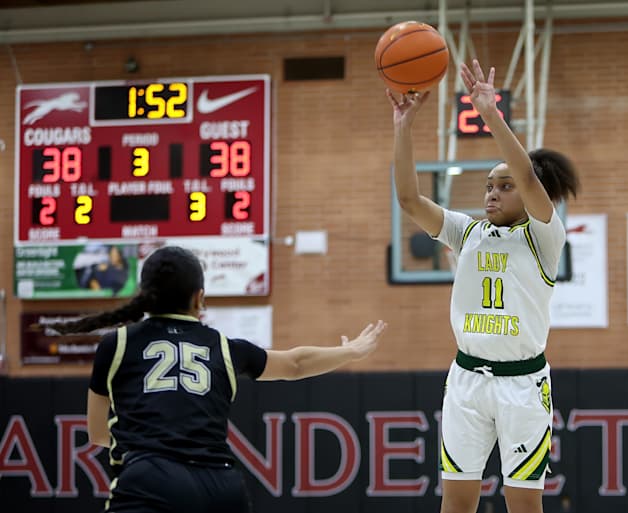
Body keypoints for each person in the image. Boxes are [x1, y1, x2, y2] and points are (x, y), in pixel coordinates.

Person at [49, 245, 386, 513]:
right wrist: (351, 351)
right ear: (199, 297)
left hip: (149, 480)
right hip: (221, 488)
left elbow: (98, 433)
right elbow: (295, 364)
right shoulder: (224, 347)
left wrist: (153, 438)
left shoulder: (117, 344)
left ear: (144, 294)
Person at [387, 59, 579, 513]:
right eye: (489, 185)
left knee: (524, 505)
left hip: (523, 384)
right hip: (467, 379)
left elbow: (528, 176)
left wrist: (489, 113)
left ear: (529, 195)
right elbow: (409, 199)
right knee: (456, 503)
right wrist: (403, 127)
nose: (492, 192)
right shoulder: (466, 232)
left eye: (504, 186)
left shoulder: (544, 237)